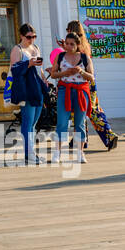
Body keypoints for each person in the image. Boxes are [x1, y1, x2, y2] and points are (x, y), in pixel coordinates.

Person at [61, 20, 118, 151]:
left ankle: (101, 136)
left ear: (71, 30)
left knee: (81, 110)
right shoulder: (85, 44)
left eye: (67, 29)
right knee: (93, 109)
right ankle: (87, 138)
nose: (66, 32)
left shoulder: (76, 46)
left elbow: (73, 58)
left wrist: (64, 47)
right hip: (90, 81)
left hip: (80, 82)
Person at [49, 32, 94, 163]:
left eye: (72, 44)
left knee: (80, 123)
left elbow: (91, 77)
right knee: (62, 122)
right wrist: (66, 73)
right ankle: (57, 152)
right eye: (67, 44)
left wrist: (81, 71)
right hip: (65, 89)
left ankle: (80, 153)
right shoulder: (60, 56)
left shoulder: (85, 58)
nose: (68, 46)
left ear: (78, 45)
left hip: (81, 90)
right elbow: (53, 74)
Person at [8, 23, 46, 164]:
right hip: (26, 89)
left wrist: (44, 79)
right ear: (21, 36)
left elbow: (39, 69)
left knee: (34, 122)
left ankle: (31, 152)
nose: (32, 40)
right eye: (29, 37)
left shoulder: (35, 48)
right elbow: (15, 70)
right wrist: (28, 64)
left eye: (34, 37)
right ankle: (28, 153)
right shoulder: (17, 49)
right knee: (27, 122)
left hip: (37, 87)